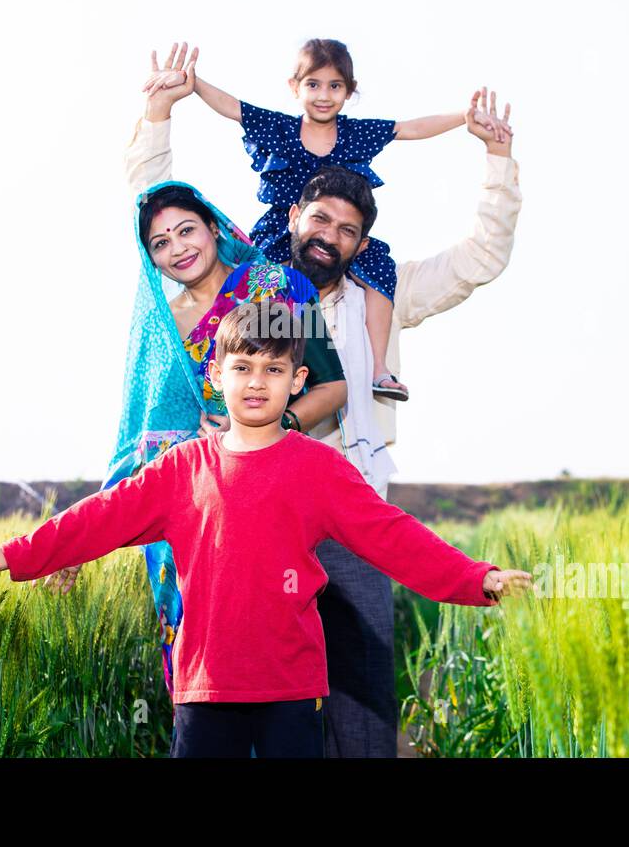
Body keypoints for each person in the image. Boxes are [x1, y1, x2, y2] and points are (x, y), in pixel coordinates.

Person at [127, 51, 523, 757]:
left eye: (346, 230)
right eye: (319, 219)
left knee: (362, 691)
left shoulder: (387, 292)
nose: (329, 236)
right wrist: (158, 114)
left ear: (362, 243)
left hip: (349, 508)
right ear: (292, 216)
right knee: (244, 698)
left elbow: (480, 259)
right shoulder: (257, 286)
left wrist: (497, 161)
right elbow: (168, 226)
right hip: (252, 513)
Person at [0, 300, 535, 757]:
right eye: (243, 367)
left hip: (291, 688)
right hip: (205, 689)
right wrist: (13, 555)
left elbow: (392, 534)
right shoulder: (182, 468)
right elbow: (99, 517)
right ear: (216, 373)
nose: (257, 382)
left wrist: (475, 578)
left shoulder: (319, 469)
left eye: (273, 369)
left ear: (297, 379)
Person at [45, 67, 348, 703]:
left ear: (214, 227)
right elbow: (137, 441)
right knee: (198, 666)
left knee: (272, 645)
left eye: (186, 229)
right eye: (159, 243)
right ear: (151, 260)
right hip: (186, 506)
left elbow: (332, 390)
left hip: (266, 482)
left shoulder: (273, 289)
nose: (177, 247)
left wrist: (273, 423)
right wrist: (73, 543)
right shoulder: (161, 327)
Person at [143, 40, 509, 403]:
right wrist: (186, 88)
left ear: (349, 92)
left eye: (335, 86)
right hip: (274, 251)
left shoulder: (355, 139)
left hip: (352, 457)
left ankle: (379, 368)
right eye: (314, 84)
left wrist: (468, 123)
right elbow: (158, 211)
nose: (323, 95)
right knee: (267, 284)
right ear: (295, 87)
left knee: (382, 274)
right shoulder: (250, 284)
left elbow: (411, 129)